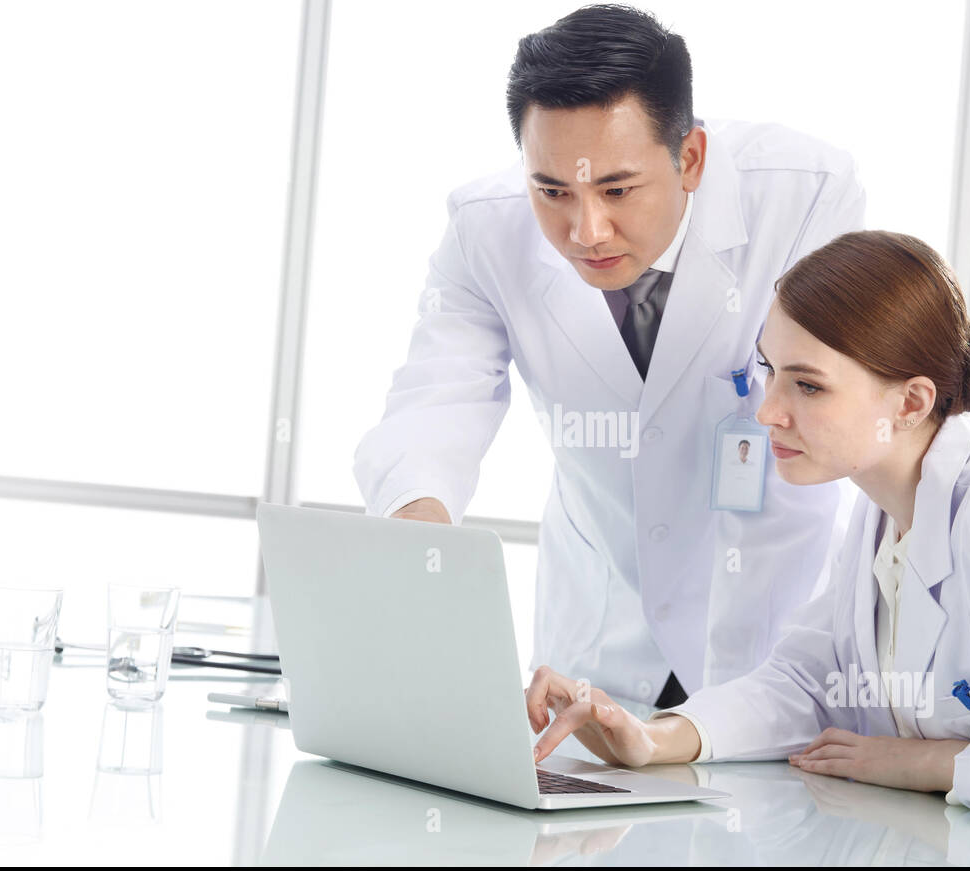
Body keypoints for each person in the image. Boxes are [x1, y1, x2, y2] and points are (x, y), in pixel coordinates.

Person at [526, 230, 970, 848]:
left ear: (910, 403)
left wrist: (929, 764)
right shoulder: (880, 509)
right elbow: (809, 685)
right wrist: (654, 737)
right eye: (768, 370)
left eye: (808, 385)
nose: (766, 412)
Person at [353, 4, 865, 707]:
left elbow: (843, 409)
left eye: (617, 190)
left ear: (690, 158)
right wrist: (416, 527)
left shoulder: (803, 195)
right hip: (595, 647)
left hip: (768, 635)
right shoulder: (484, 229)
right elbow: (436, 398)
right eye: (552, 190)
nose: (586, 230)